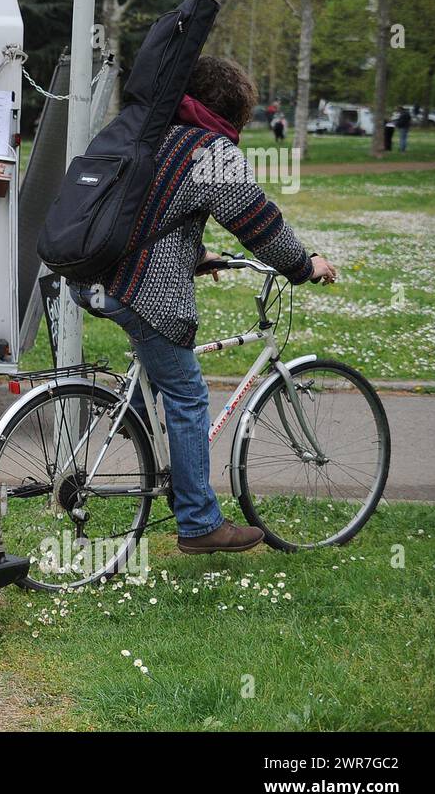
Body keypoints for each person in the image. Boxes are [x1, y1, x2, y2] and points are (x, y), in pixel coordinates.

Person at [70, 56, 337, 555]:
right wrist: (305, 265)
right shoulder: (207, 147)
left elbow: (148, 212)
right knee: (188, 394)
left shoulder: (152, 134)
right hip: (142, 292)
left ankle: (163, 470)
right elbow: (257, 221)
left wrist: (194, 255)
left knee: (166, 383)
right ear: (231, 112)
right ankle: (198, 523)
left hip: (93, 277)